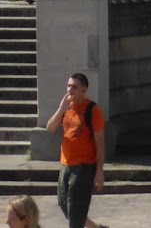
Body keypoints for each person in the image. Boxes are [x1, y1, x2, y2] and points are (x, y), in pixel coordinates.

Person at [45, 72, 104, 228]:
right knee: (64, 204)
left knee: (76, 210)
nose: (70, 90)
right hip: (65, 165)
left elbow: (100, 142)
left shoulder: (93, 110)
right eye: (68, 86)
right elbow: (50, 128)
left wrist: (99, 171)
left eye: (74, 87)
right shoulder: (66, 107)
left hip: (84, 167)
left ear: (84, 90)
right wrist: (61, 109)